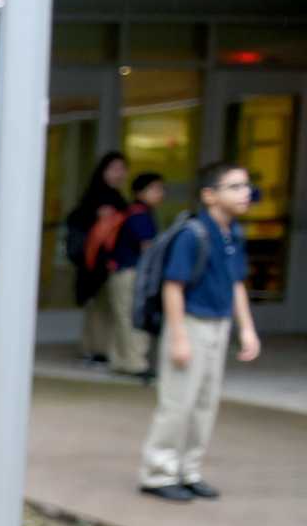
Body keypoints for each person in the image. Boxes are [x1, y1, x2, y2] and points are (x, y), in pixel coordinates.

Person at [139, 161, 263, 502]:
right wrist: (179, 337)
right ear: (209, 195)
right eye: (234, 187)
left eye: (246, 186)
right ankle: (158, 472)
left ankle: (188, 470)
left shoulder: (232, 234)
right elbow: (173, 287)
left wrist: (247, 328)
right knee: (178, 401)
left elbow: (237, 283)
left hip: (219, 325)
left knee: (205, 403)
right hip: (191, 324)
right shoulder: (192, 234)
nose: (245, 193)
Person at [66, 150, 128, 362]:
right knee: (100, 308)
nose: (118, 174)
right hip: (98, 263)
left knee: (102, 308)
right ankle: (96, 350)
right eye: (114, 169)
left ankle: (96, 348)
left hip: (106, 263)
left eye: (122, 169)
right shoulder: (98, 200)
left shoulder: (117, 199)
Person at [106, 171, 166, 378]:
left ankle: (120, 360)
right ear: (141, 192)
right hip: (131, 274)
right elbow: (148, 249)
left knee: (122, 318)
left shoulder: (131, 212)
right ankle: (135, 363)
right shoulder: (141, 215)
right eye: (156, 189)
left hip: (120, 272)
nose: (160, 194)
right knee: (133, 319)